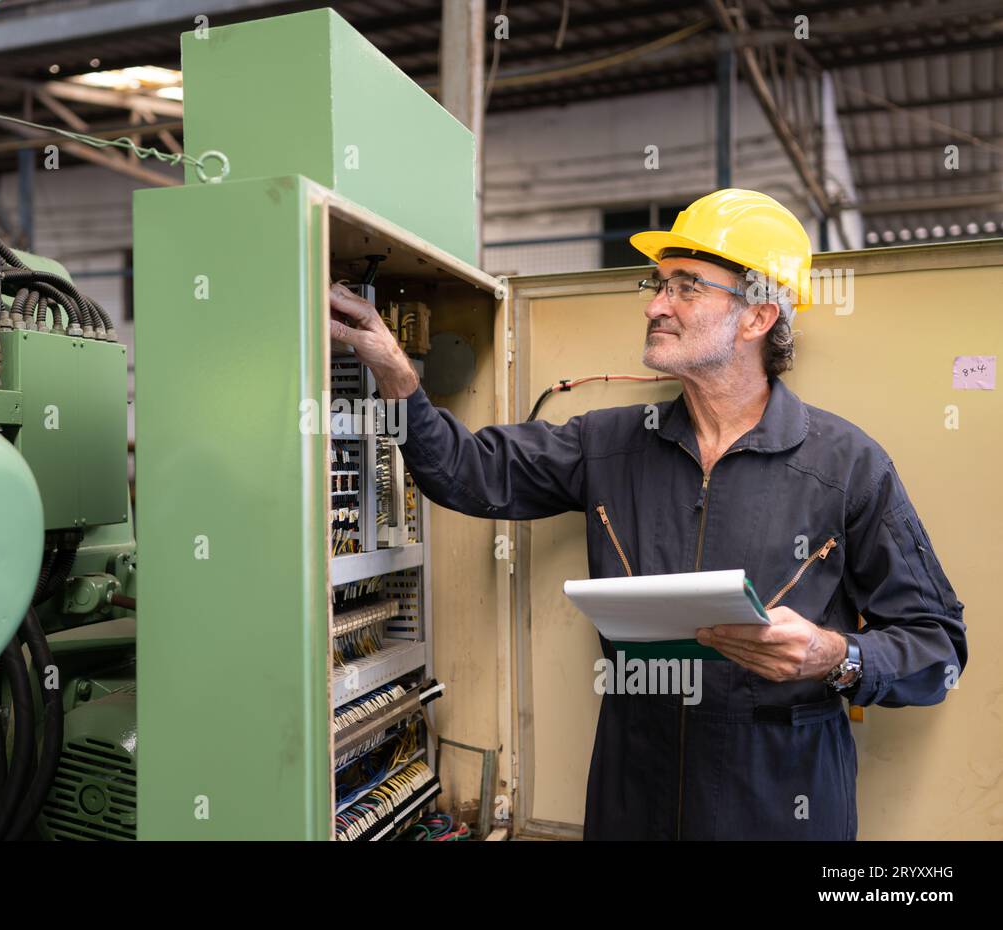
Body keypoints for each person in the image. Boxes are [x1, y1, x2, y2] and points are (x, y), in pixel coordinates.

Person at [328, 189, 967, 840]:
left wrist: (836, 656)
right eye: (657, 284)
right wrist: (395, 375)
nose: (656, 305)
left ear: (757, 316)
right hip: (635, 797)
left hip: (780, 802)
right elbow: (465, 472)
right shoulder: (607, 444)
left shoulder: (847, 466)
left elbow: (936, 645)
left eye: (687, 287)